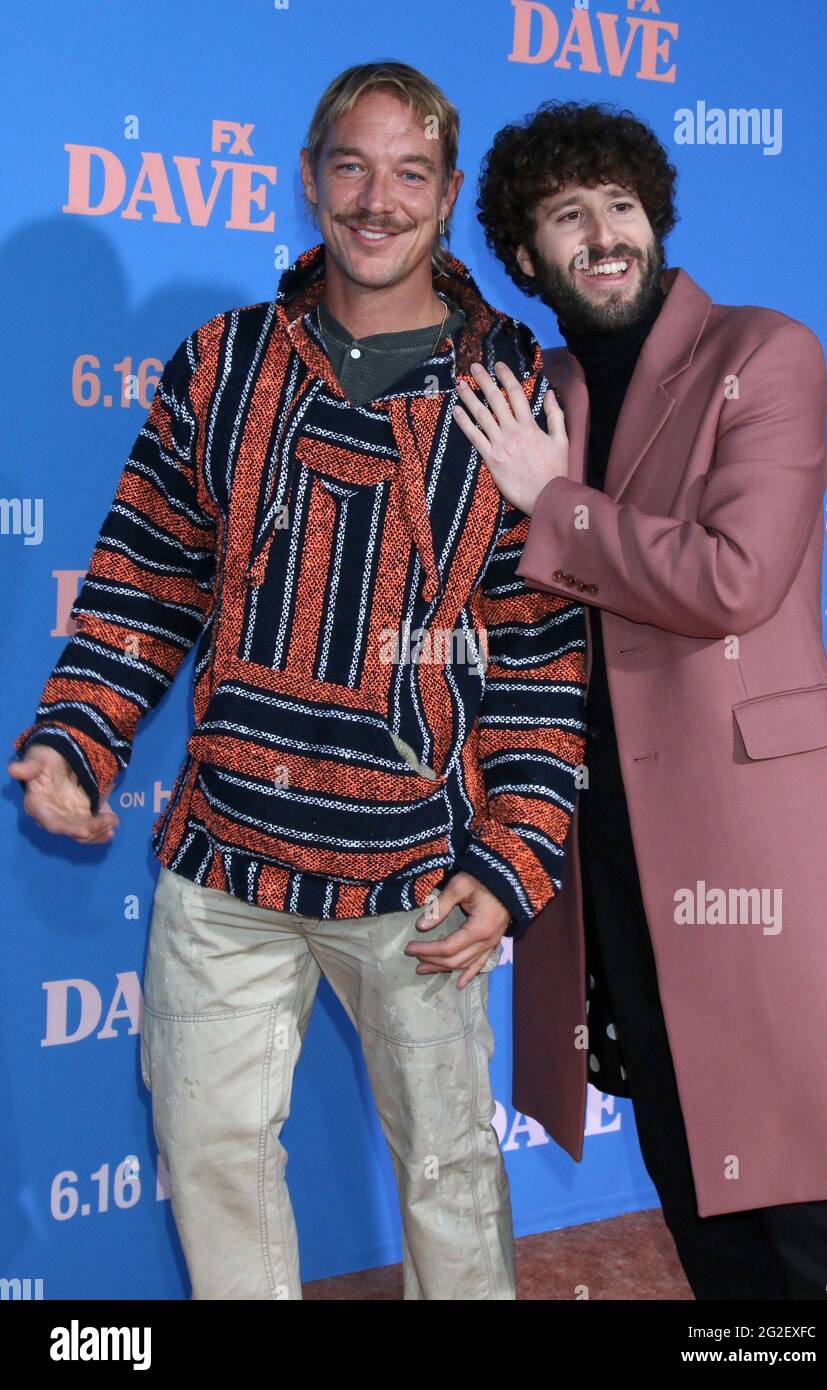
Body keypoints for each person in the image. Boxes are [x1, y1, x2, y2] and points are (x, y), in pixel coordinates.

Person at [8, 66, 586, 1301]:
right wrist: (75, 738)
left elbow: (538, 652)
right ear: (312, 179)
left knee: (445, 1171)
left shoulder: (506, 392)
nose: (376, 200)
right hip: (222, 865)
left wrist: (513, 855)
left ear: (444, 197)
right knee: (210, 1159)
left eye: (409, 174)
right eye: (351, 167)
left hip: (415, 880)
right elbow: (143, 575)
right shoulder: (219, 366)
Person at [452, 99, 827, 1301]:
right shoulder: (536, 391)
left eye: (619, 205)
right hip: (612, 859)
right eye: (565, 215)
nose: (602, 234)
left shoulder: (764, 353)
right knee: (700, 1198)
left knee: (819, 1203)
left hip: (755, 848)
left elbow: (730, 579)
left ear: (655, 221)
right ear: (525, 258)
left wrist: (553, 499)